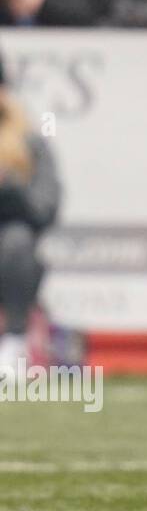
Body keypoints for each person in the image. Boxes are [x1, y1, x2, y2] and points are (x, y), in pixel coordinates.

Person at [0, 52, 60, 381]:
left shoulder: (29, 141)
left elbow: (46, 208)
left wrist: (9, 188)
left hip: (10, 256)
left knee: (17, 242)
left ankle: (13, 343)